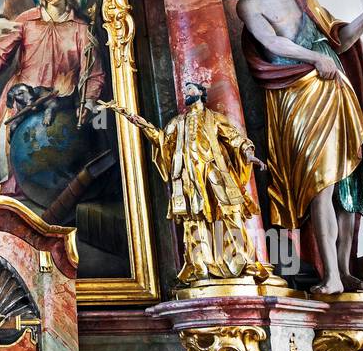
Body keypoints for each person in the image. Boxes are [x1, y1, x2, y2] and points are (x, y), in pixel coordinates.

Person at [235, 0, 363, 294]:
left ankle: (344, 271)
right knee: (321, 182)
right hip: (297, 90)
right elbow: (271, 43)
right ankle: (329, 273)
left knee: (349, 178)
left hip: (335, 87)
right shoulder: (249, 4)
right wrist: (314, 59)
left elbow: (340, 41)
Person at [0, 0, 106, 189]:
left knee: (52, 169)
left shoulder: (81, 29)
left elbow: (93, 73)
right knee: (8, 164)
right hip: (21, 97)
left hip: (59, 105)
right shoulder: (27, 20)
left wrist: (88, 101)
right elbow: (3, 48)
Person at [115, 81, 268, 285]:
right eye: (185, 90)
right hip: (189, 177)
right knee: (194, 221)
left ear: (201, 93)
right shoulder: (178, 122)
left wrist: (248, 154)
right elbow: (162, 141)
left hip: (215, 173)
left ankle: (238, 261)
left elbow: (235, 138)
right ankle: (200, 264)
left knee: (228, 214)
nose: (186, 92)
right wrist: (141, 123)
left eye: (190, 89)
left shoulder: (214, 118)